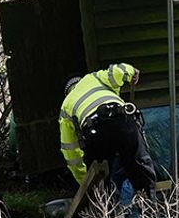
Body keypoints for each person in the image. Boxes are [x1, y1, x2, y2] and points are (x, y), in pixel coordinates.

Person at [58, 62, 157, 208]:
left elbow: (71, 152)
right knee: (140, 171)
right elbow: (118, 71)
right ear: (81, 79)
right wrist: (132, 71)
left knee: (103, 185)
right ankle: (152, 214)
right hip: (122, 120)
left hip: (95, 133)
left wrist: (85, 179)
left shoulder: (66, 106)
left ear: (67, 91)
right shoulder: (94, 78)